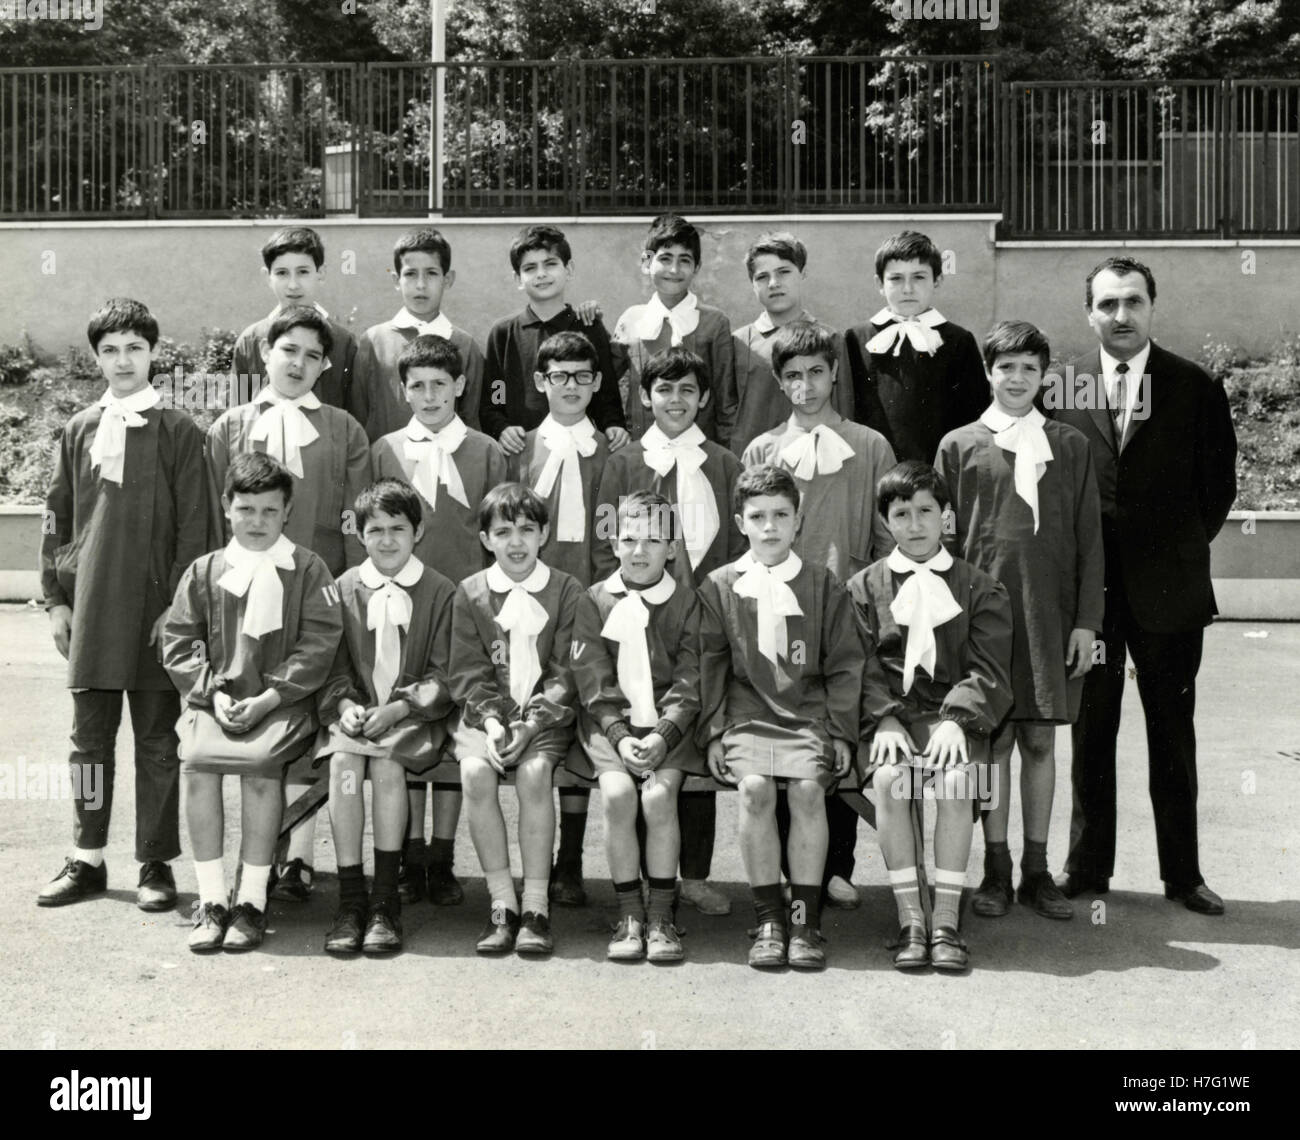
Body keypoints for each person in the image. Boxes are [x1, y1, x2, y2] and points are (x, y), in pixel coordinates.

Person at [1050, 256, 1237, 914]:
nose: (1120, 316)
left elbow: (1217, 491)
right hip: (1092, 604)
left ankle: (1183, 876)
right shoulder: (1063, 388)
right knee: (1091, 734)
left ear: (1152, 306)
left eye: (1132, 302)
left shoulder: (1193, 385)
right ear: (1089, 314)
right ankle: (1086, 867)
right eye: (1107, 304)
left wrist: (1174, 554)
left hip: (1171, 595)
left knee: (1171, 735)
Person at [37, 298, 207, 911]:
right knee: (88, 744)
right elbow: (57, 519)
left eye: (134, 347)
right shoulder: (79, 429)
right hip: (92, 612)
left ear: (154, 354)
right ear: (96, 358)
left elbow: (197, 529)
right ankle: (86, 857)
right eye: (109, 350)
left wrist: (181, 611)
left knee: (160, 743)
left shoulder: (181, 431)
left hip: (159, 614)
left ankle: (155, 862)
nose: (122, 360)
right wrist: (56, 600)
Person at [937, 320, 1103, 921]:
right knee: (993, 740)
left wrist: (1087, 622)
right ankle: (997, 867)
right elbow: (944, 545)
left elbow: (1090, 538)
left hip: (1051, 613)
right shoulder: (958, 444)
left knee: (1039, 737)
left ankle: (1038, 869)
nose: (1016, 378)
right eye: (1005, 367)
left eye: (1029, 368)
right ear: (988, 372)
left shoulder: (1071, 444)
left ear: (1044, 376)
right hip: (985, 617)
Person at [206, 304, 370, 901]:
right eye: (288, 351)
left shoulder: (345, 429)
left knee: (309, 714)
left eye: (311, 355)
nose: (298, 363)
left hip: (319, 592)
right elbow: (212, 521)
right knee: (255, 712)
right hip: (244, 598)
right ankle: (254, 858)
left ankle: (298, 853)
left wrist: (347, 595)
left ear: (324, 366)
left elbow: (355, 523)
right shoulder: (228, 426)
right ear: (265, 355)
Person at [163, 452, 344, 952]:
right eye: (246, 509)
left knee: (261, 764)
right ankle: (212, 897)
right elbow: (178, 641)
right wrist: (209, 692)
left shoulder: (308, 569)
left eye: (269, 510)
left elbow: (319, 644)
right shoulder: (205, 570)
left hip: (281, 703)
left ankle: (251, 901)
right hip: (214, 700)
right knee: (197, 760)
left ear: (287, 510)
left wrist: (269, 697)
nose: (257, 521)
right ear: (227, 507)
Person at [742, 319, 895, 909]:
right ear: (780, 384)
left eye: (815, 374)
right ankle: (785, 866)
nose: (805, 387)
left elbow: (886, 536)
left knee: (838, 729)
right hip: (779, 608)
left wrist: (871, 599)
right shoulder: (762, 449)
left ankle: (837, 866)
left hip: (846, 606)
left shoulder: (870, 445)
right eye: (793, 378)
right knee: (785, 726)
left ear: (834, 375)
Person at [593, 345, 745, 916]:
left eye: (687, 391)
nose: (675, 401)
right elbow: (606, 541)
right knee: (638, 730)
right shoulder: (624, 463)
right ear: (644, 397)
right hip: (636, 612)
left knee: (692, 725)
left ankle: (696, 874)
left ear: (704, 398)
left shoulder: (725, 464)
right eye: (663, 390)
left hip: (701, 616)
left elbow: (732, 548)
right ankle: (638, 881)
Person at [849, 461, 1013, 971]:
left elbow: (989, 668)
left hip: (955, 721)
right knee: (894, 781)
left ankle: (945, 920)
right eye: (902, 513)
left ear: (946, 517)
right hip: (891, 720)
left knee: (958, 784)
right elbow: (857, 664)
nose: (915, 524)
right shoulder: (862, 587)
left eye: (926, 511)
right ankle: (910, 920)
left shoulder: (979, 587)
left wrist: (955, 720)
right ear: (886, 522)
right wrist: (886, 719)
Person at [698, 466, 862, 970]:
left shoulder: (821, 583)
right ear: (740, 522)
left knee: (810, 791)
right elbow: (710, 663)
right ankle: (769, 917)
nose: (769, 527)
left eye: (780, 516)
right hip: (747, 712)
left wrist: (839, 732)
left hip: (806, 713)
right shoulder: (720, 585)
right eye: (758, 516)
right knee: (755, 790)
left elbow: (844, 663)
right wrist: (713, 731)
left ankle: (803, 918)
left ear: (798, 521)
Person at [371, 334, 505, 905]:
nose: (429, 396)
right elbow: (374, 528)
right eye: (418, 386)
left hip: (463, 609)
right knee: (412, 719)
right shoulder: (384, 449)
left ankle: (442, 855)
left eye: (440, 385)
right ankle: (409, 851)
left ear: (460, 387)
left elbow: (495, 536)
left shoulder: (486, 451)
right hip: (404, 603)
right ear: (404, 390)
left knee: (453, 724)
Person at [315, 479, 457, 954]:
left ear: (418, 531)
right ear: (359, 534)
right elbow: (331, 667)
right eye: (375, 530)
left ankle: (384, 901)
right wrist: (346, 706)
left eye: (399, 528)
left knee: (388, 764)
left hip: (414, 716)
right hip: (357, 717)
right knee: (344, 766)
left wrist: (400, 706)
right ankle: (351, 896)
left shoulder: (440, 591)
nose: (388, 540)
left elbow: (446, 672)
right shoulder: (342, 589)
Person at [450, 483, 584, 957]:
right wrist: (490, 721)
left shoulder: (566, 590)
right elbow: (467, 670)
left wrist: (532, 723)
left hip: (545, 718)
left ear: (544, 533)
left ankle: (536, 906)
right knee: (473, 773)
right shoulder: (470, 593)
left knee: (533, 774)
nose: (516, 542)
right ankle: (502, 902)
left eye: (527, 529)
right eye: (503, 531)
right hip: (484, 716)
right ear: (486, 539)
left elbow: (567, 671)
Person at [571, 491, 702, 962]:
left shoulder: (687, 603)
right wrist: (621, 736)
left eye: (654, 539)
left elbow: (690, 682)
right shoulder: (594, 601)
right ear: (613, 542)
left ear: (672, 547)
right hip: (610, 730)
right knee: (619, 795)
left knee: (659, 796)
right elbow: (591, 681)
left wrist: (662, 735)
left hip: (672, 730)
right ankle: (629, 912)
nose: (640, 550)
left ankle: (663, 914)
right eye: (629, 539)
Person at [508, 330, 611, 903]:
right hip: (533, 600)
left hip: (590, 603)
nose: (569, 387)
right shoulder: (517, 448)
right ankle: (540, 861)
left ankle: (570, 858)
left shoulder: (615, 453)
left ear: (596, 383)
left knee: (577, 725)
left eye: (581, 376)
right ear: (541, 383)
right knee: (539, 719)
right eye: (557, 377)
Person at [480, 223, 628, 457]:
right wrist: (502, 428)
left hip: (581, 451)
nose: (541, 274)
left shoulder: (589, 327)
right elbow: (496, 396)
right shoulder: (503, 333)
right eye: (530, 268)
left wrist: (613, 426)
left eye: (550, 264)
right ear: (518, 278)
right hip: (524, 454)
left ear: (568, 270)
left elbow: (606, 392)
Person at [844, 230, 988, 462]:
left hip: (937, 469)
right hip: (874, 465)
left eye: (919, 277)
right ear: (879, 283)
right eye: (896, 278)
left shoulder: (959, 341)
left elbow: (973, 415)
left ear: (937, 280)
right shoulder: (856, 339)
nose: (907, 288)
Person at [724, 231, 854, 456]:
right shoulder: (739, 342)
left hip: (818, 458)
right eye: (762, 277)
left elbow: (844, 410)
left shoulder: (830, 338)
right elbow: (727, 415)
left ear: (802, 273)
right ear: (752, 283)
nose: (774, 283)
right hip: (756, 461)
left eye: (783, 272)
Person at [349, 227, 484, 440]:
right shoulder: (374, 342)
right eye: (410, 274)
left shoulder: (465, 345)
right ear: (396, 280)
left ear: (447, 279)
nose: (420, 285)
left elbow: (472, 417)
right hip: (387, 464)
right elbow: (358, 414)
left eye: (431, 273)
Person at [612, 213, 733, 441]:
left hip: (700, 451)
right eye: (665, 258)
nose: (674, 270)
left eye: (684, 260)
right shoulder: (631, 319)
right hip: (642, 449)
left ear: (697, 267)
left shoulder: (715, 322)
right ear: (647, 262)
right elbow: (604, 384)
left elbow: (726, 399)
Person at [230, 226, 357, 409]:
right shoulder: (251, 340)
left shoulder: (343, 342)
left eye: (303, 272)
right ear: (267, 276)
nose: (293, 285)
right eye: (282, 273)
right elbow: (238, 414)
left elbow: (351, 416)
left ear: (320, 273)